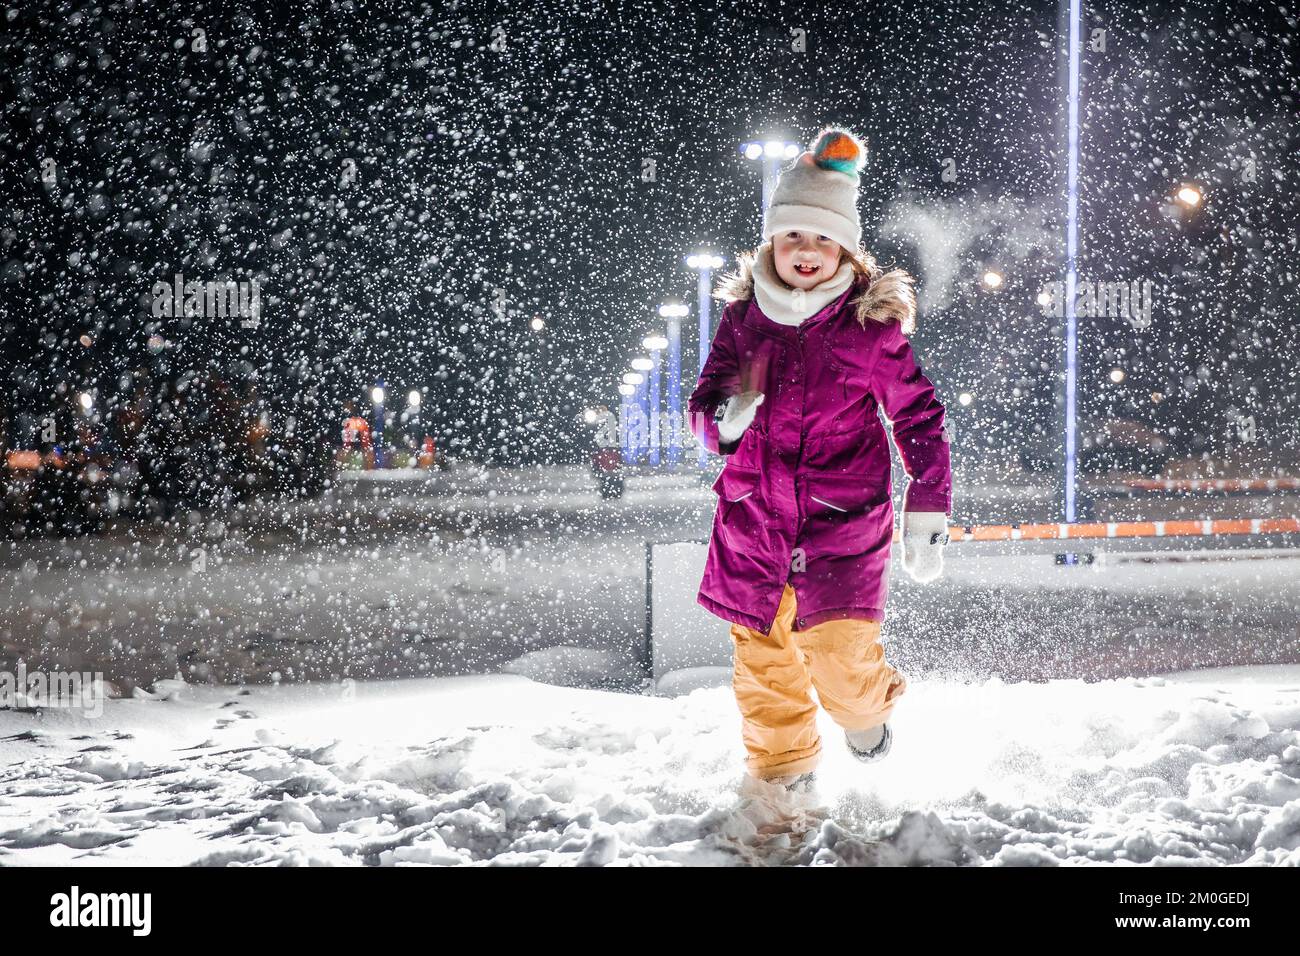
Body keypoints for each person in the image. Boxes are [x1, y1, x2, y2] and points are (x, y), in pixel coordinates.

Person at [687, 128, 954, 789]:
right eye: (792, 236)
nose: (806, 251)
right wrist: (723, 420)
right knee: (765, 668)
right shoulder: (744, 322)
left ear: (844, 249)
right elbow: (703, 404)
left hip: (842, 525)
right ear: (770, 245)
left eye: (822, 238)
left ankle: (867, 717)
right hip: (752, 522)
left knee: (841, 662)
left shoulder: (869, 327)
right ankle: (783, 780)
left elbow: (918, 417)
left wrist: (926, 510)